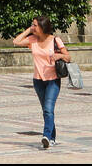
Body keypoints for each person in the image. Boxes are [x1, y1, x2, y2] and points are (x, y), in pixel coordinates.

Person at [13, 16, 70, 149]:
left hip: (53, 80)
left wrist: (59, 56)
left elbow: (68, 57)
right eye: (32, 25)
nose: (33, 27)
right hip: (38, 80)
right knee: (46, 110)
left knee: (48, 109)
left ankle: (46, 136)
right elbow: (16, 41)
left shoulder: (55, 40)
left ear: (43, 27)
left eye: (35, 25)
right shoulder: (32, 40)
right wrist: (29, 30)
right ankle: (52, 137)